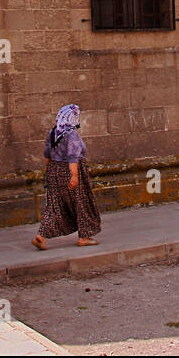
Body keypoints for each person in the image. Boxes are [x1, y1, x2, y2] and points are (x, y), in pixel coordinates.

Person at [32, 103, 101, 249]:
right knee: (81, 202)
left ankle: (41, 236)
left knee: (55, 205)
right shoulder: (71, 134)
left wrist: (50, 172)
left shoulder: (54, 132)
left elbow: (47, 155)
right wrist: (74, 176)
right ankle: (84, 236)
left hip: (53, 170)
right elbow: (73, 157)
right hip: (69, 171)